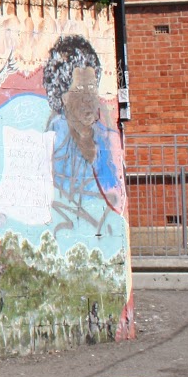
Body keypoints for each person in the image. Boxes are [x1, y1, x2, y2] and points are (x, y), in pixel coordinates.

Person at [44, 35, 124, 235]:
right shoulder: (51, 141)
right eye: (80, 89)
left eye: (92, 88)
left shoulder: (110, 141)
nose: (89, 98)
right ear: (62, 95)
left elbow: (117, 198)